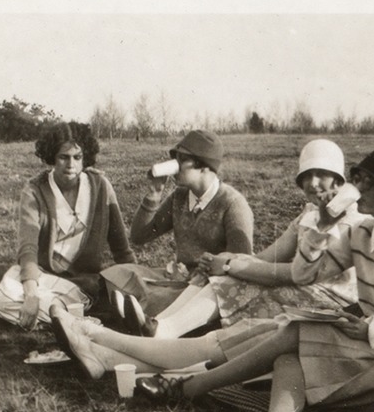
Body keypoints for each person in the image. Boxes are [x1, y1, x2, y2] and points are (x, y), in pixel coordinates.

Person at [51, 147, 374, 412]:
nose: (356, 187)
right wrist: (323, 229)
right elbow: (302, 273)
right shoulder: (360, 233)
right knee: (284, 352)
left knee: (284, 332)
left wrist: (369, 328)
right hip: (354, 340)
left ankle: (170, 376)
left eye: (364, 182)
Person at [0, 121, 134, 329]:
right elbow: (27, 249)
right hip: (38, 275)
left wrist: (136, 282)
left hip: (80, 284)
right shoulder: (35, 191)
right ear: (51, 157)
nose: (71, 165)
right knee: (31, 303)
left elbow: (121, 248)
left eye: (77, 157)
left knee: (54, 312)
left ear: (86, 157)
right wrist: (31, 294)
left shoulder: (101, 187)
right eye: (63, 157)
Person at [139, 138, 360, 339]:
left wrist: (229, 266)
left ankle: (167, 330)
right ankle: (160, 323)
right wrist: (228, 258)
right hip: (304, 292)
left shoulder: (349, 220)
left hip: (330, 303)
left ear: (338, 179)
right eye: (307, 176)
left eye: (322, 174)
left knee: (238, 280)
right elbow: (269, 256)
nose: (313, 183)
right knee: (223, 269)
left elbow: (295, 274)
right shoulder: (309, 213)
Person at [100, 129, 254, 332]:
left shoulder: (232, 203)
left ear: (204, 166)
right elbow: (139, 236)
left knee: (162, 296)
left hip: (208, 286)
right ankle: (140, 312)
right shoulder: (180, 197)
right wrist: (153, 195)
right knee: (116, 272)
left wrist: (206, 270)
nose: (175, 167)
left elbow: (239, 261)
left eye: (182, 160)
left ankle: (146, 317)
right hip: (178, 277)